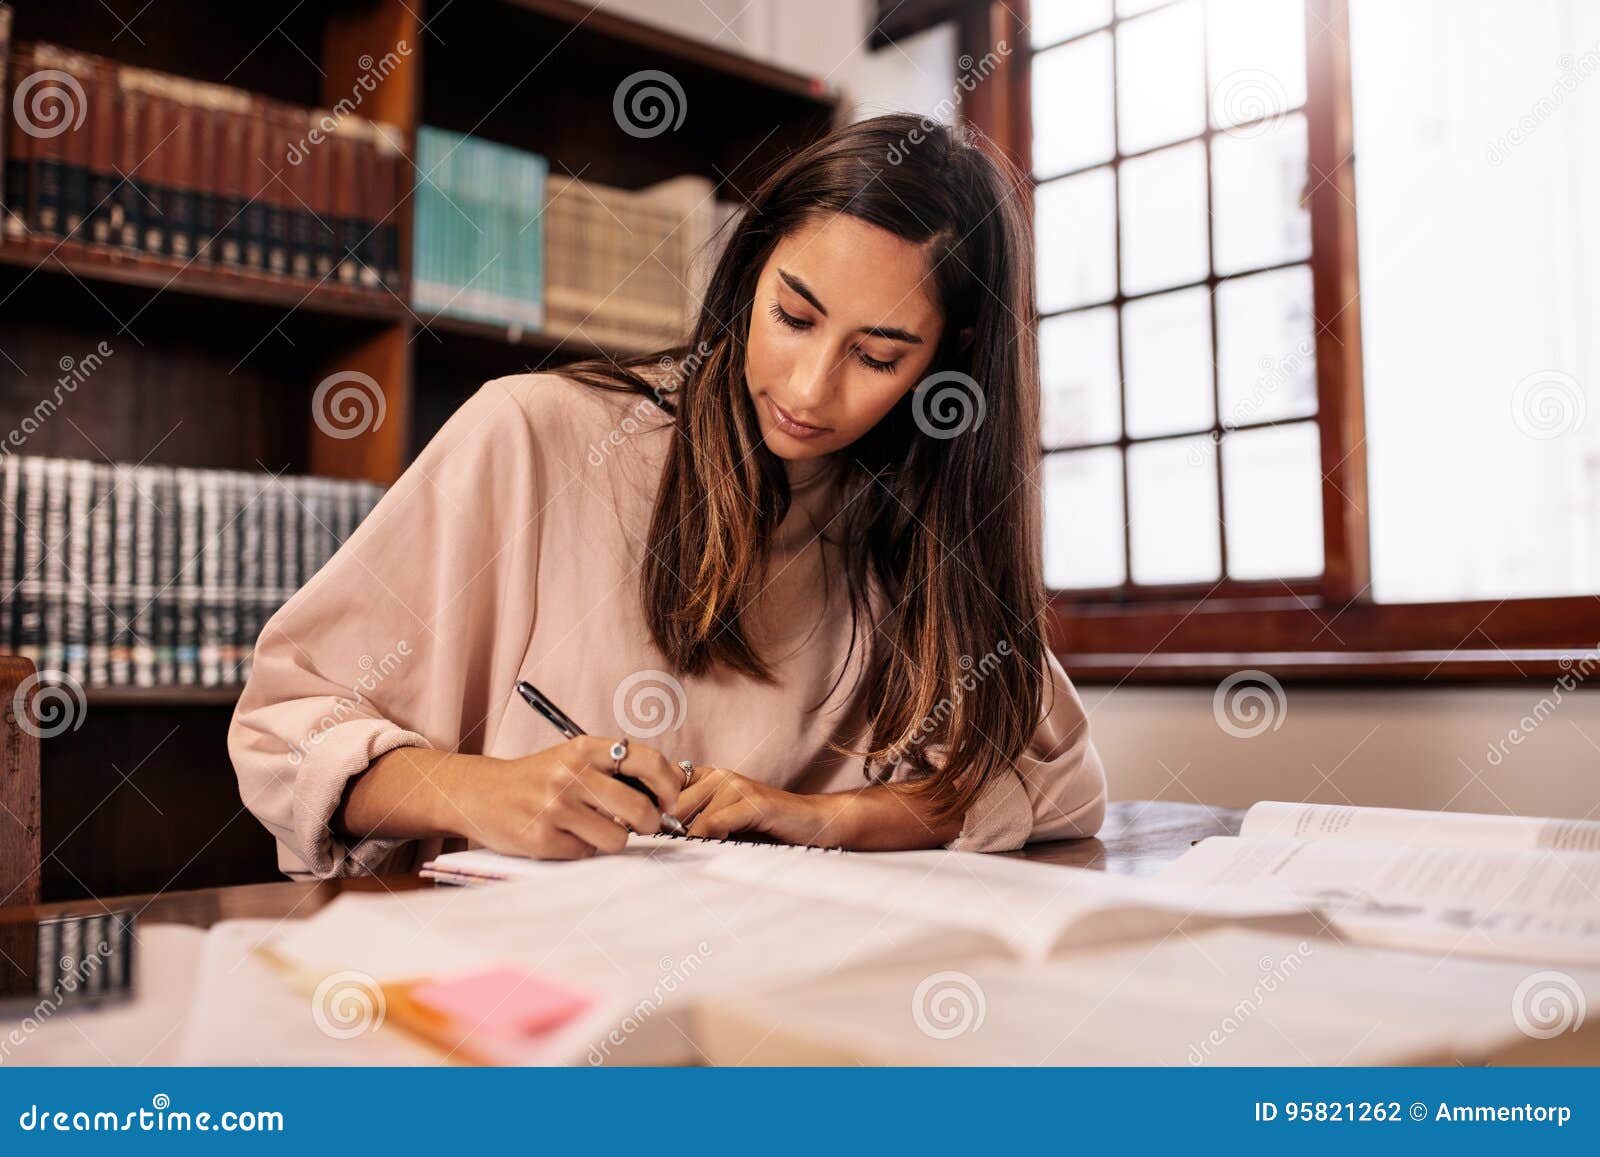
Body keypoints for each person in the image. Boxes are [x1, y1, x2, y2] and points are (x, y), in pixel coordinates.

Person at [228, 112, 1107, 878]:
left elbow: (1056, 780)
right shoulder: (534, 437)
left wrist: (832, 818)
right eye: (794, 318)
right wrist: (476, 788)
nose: (808, 390)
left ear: (946, 363)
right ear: (749, 274)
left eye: (876, 357)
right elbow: (283, 727)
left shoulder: (922, 515)